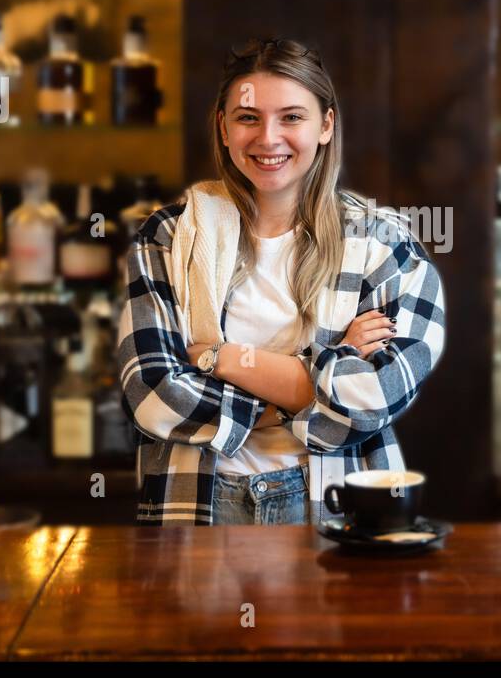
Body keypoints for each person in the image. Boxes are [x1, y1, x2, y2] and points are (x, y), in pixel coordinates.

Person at [117, 37, 446, 525]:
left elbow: (376, 397)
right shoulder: (168, 236)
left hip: (335, 504)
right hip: (196, 501)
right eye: (248, 117)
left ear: (326, 125)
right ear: (223, 128)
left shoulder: (384, 242)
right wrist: (326, 374)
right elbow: (153, 395)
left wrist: (219, 358)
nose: (268, 138)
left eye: (291, 117)